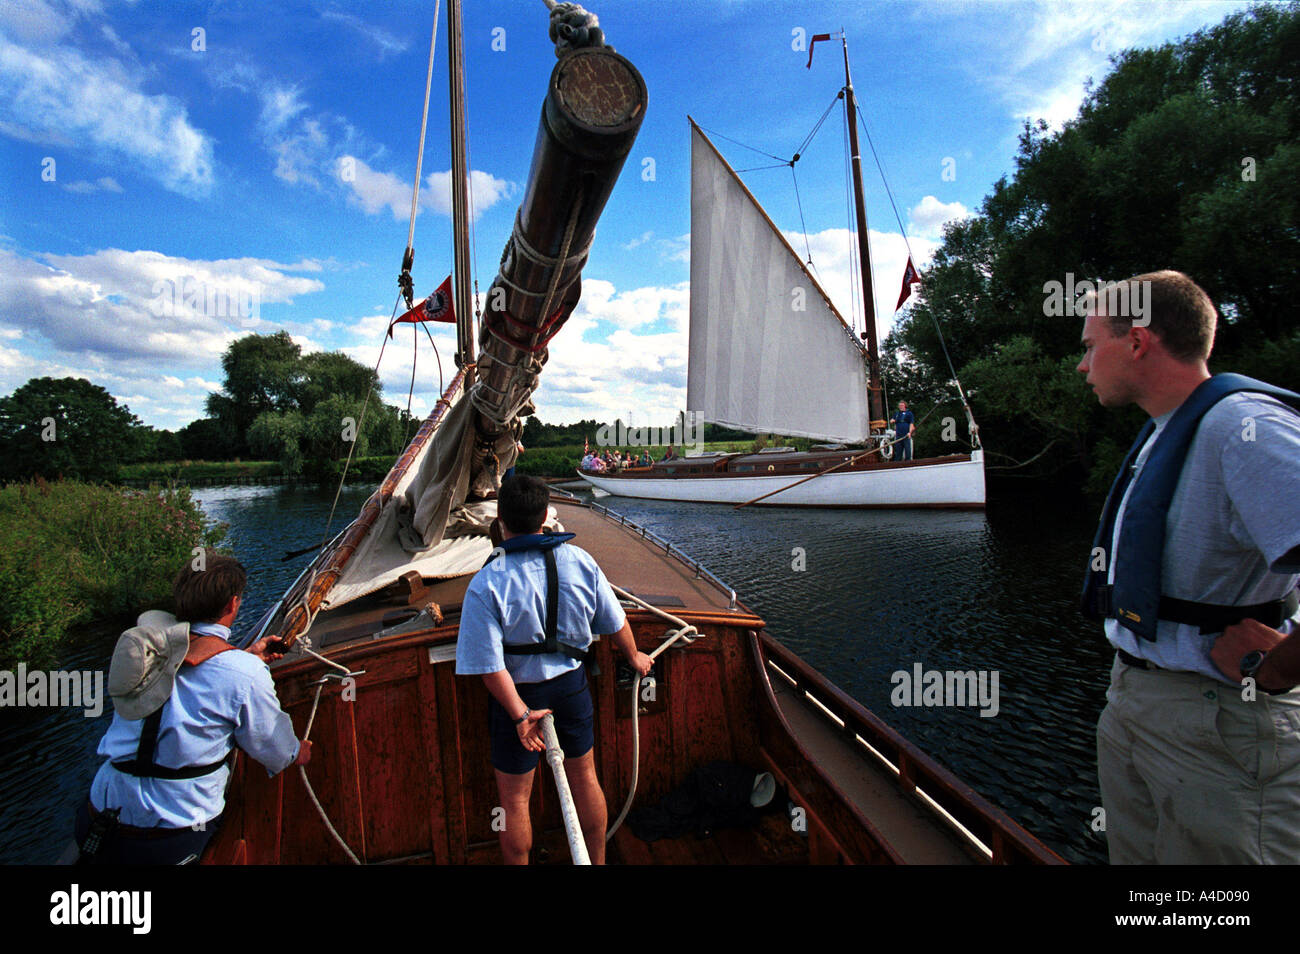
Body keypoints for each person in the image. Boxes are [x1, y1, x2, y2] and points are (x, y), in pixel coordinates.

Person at [1077, 269, 1300, 864]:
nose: (1082, 366)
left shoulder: (1242, 430)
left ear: (1137, 341)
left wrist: (1283, 664)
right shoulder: (1167, 432)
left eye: (1089, 345)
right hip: (1140, 703)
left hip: (1217, 726)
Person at [456, 475, 652, 864]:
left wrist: (521, 714)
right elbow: (615, 624)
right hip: (571, 689)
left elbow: (489, 667)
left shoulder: (486, 583)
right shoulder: (581, 562)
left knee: (514, 801)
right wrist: (635, 658)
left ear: (499, 520)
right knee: (584, 779)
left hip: (519, 698)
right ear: (546, 516)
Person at [76, 550, 310, 864]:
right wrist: (300, 751)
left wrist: (245, 658)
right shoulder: (245, 674)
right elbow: (278, 750)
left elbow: (187, 675)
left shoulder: (144, 652)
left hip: (95, 819)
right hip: (167, 838)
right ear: (233, 605)